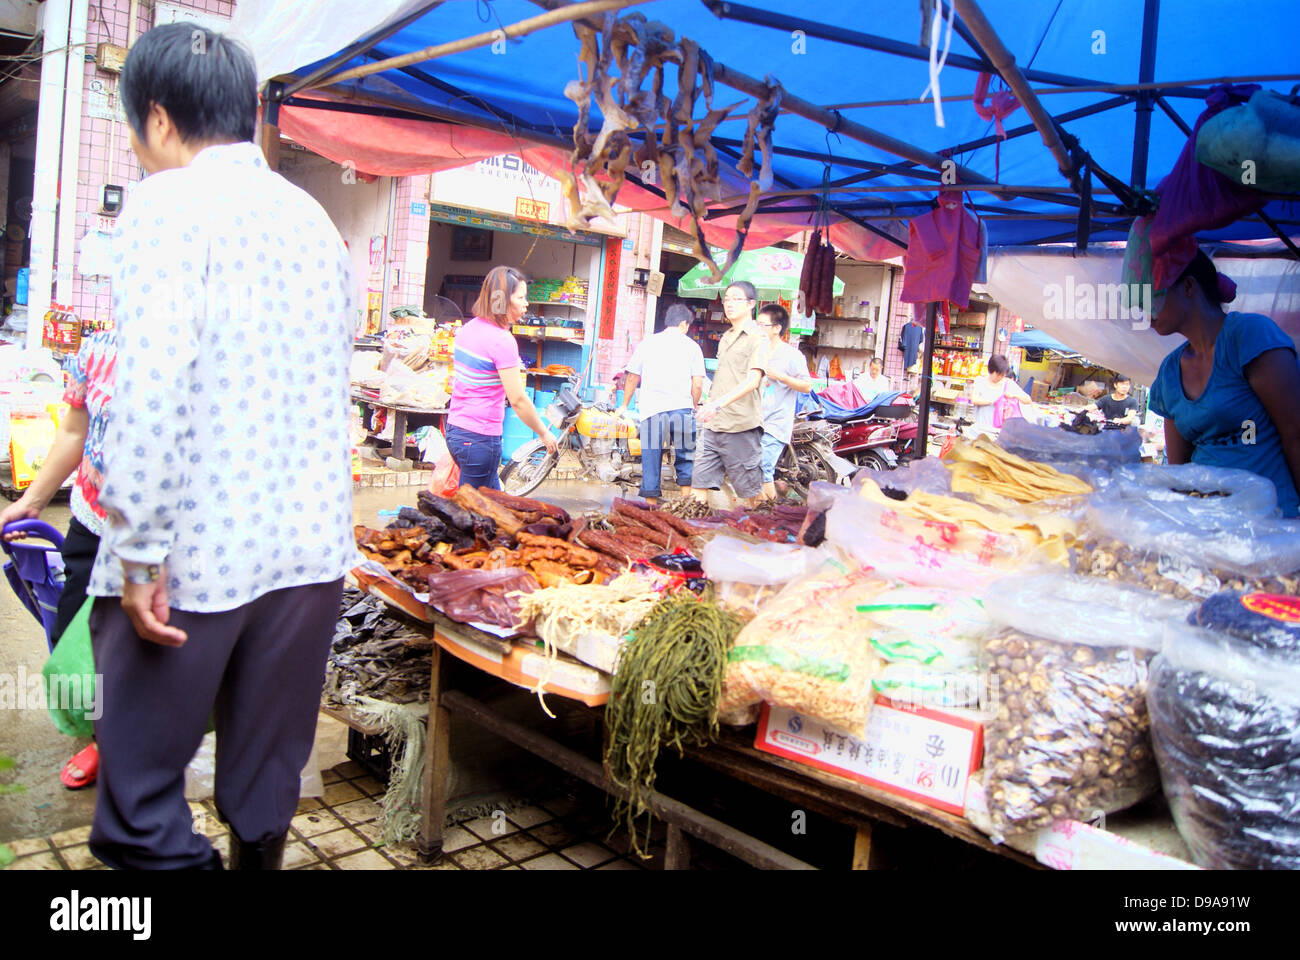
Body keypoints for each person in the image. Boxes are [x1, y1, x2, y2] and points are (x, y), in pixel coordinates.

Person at [86, 23, 357, 870]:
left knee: (138, 810)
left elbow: (150, 388)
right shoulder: (312, 216)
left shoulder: (167, 204)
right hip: (308, 554)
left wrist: (137, 553)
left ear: (159, 120)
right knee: (267, 779)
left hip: (194, 560)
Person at [0, 330, 116, 789]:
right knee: (75, 641)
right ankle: (102, 736)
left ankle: (125, 745)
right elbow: (74, 429)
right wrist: (32, 501)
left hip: (167, 538)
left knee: (150, 650)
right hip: (93, 524)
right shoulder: (99, 349)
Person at [1149, 249, 1300, 517]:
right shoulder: (1169, 372)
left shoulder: (1250, 336)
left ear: (1188, 286)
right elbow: (1179, 471)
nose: (1143, 309)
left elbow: (1295, 435)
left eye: (1150, 296)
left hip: (1269, 524)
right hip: (1205, 528)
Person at [446, 266, 558, 489]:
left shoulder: (468, 329)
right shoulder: (501, 341)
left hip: (456, 432)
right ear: (503, 300)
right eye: (521, 298)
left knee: (494, 508)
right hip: (479, 438)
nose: (526, 304)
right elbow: (517, 399)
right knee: (474, 513)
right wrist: (543, 433)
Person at [615, 304, 704, 503]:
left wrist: (624, 405)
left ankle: (651, 507)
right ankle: (686, 504)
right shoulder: (692, 347)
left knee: (651, 460)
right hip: (682, 410)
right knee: (685, 457)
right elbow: (697, 384)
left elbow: (631, 377)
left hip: (653, 411)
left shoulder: (648, 343)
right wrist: (693, 404)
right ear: (683, 324)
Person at [693, 281, 771, 506]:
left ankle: (760, 533)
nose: (729, 304)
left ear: (751, 304)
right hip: (713, 426)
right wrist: (708, 402)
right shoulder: (726, 337)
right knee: (699, 484)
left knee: (751, 493)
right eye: (726, 299)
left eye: (736, 299)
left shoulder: (759, 338)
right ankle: (695, 534)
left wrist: (717, 405)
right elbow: (725, 379)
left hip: (741, 426)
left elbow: (752, 380)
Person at [757, 304, 812, 501]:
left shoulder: (792, 355)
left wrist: (782, 377)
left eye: (762, 325)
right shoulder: (758, 351)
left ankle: (769, 513)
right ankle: (762, 512)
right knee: (753, 471)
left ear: (776, 328)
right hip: (755, 420)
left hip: (776, 423)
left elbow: (807, 386)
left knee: (763, 468)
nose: (758, 329)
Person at [969, 354, 1031, 436]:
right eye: (998, 374)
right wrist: (993, 401)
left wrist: (1014, 395)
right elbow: (974, 400)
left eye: (1003, 374)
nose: (1001, 377)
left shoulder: (1009, 383)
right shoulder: (980, 381)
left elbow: (1028, 400)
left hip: (1001, 432)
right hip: (981, 430)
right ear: (991, 370)